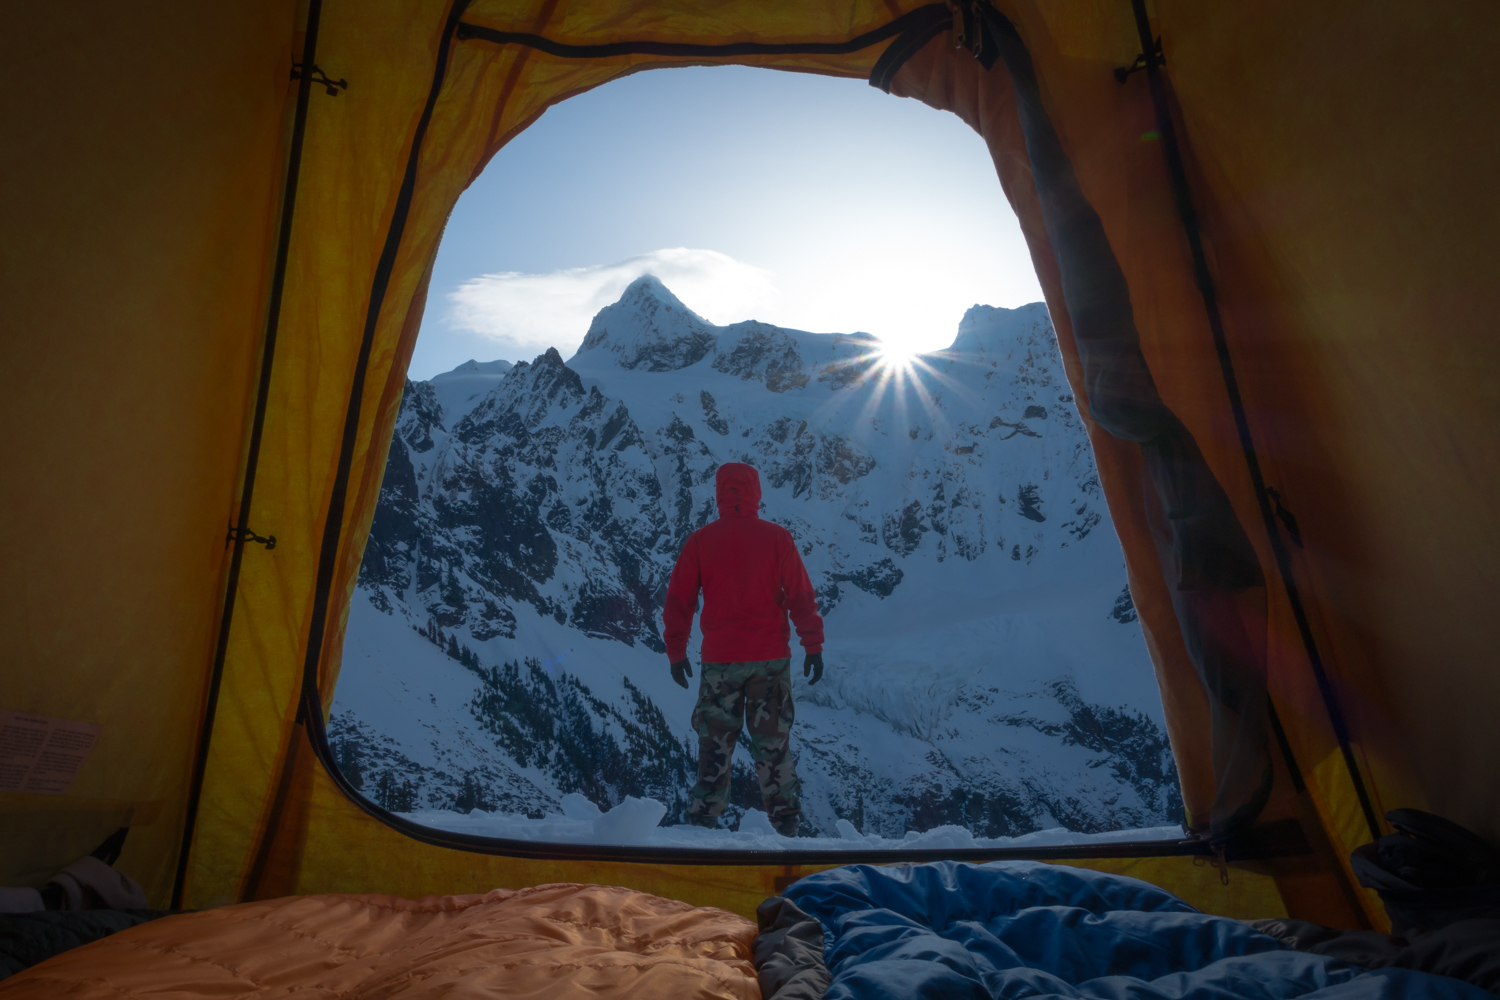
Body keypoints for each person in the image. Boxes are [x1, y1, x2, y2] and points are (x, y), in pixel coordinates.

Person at [663, 462, 825, 837]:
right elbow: (801, 595)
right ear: (756, 492)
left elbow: (679, 601)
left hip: (720, 661)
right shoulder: (778, 538)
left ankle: (701, 828)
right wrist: (813, 645)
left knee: (715, 743)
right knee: (773, 743)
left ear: (719, 493)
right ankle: (786, 827)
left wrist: (676, 651)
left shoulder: (701, 541)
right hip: (770, 659)